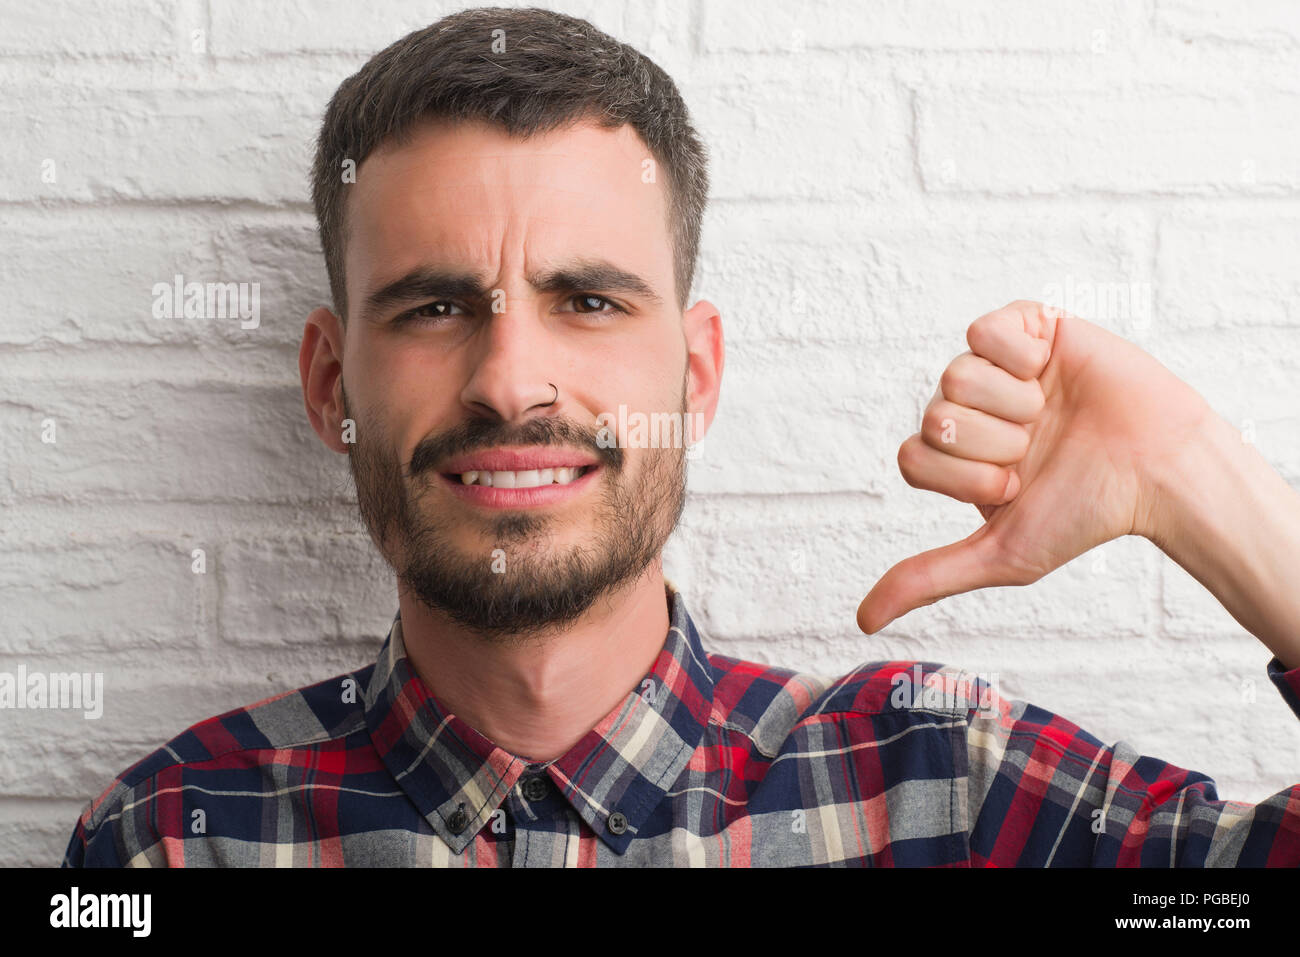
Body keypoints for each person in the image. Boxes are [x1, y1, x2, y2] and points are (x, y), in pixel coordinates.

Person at [63, 6, 1300, 867]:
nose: (511, 382)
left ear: (696, 375)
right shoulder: (176, 834)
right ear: (334, 381)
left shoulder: (944, 791)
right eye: (436, 307)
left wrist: (1198, 484)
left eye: (588, 301)